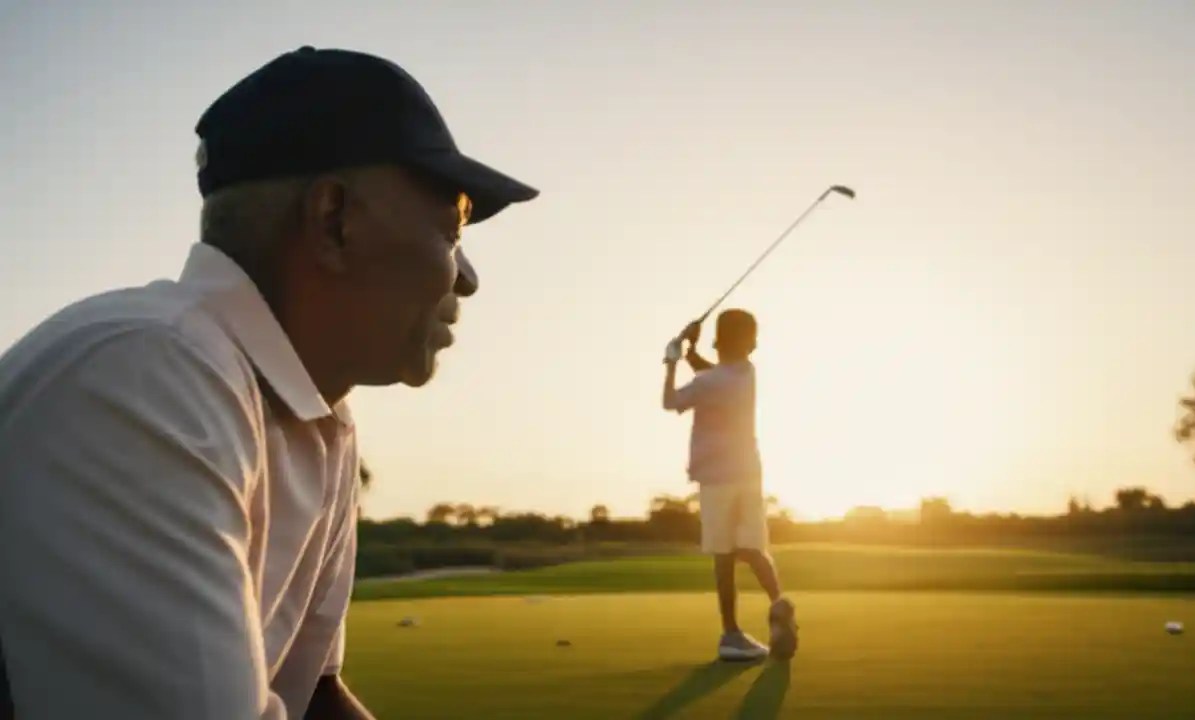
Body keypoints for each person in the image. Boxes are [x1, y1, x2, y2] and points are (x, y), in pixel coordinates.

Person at [0, 46, 537, 719]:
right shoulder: (149, 374)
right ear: (334, 219)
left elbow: (314, 695)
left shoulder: (322, 420)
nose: (466, 279)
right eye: (452, 229)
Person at [661, 310, 798, 662]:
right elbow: (712, 373)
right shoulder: (745, 374)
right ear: (751, 344)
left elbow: (671, 402)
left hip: (715, 477)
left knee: (723, 557)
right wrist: (690, 350)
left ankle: (731, 635)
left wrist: (672, 361)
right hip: (749, 472)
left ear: (717, 341)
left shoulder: (708, 382)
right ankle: (779, 604)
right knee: (754, 548)